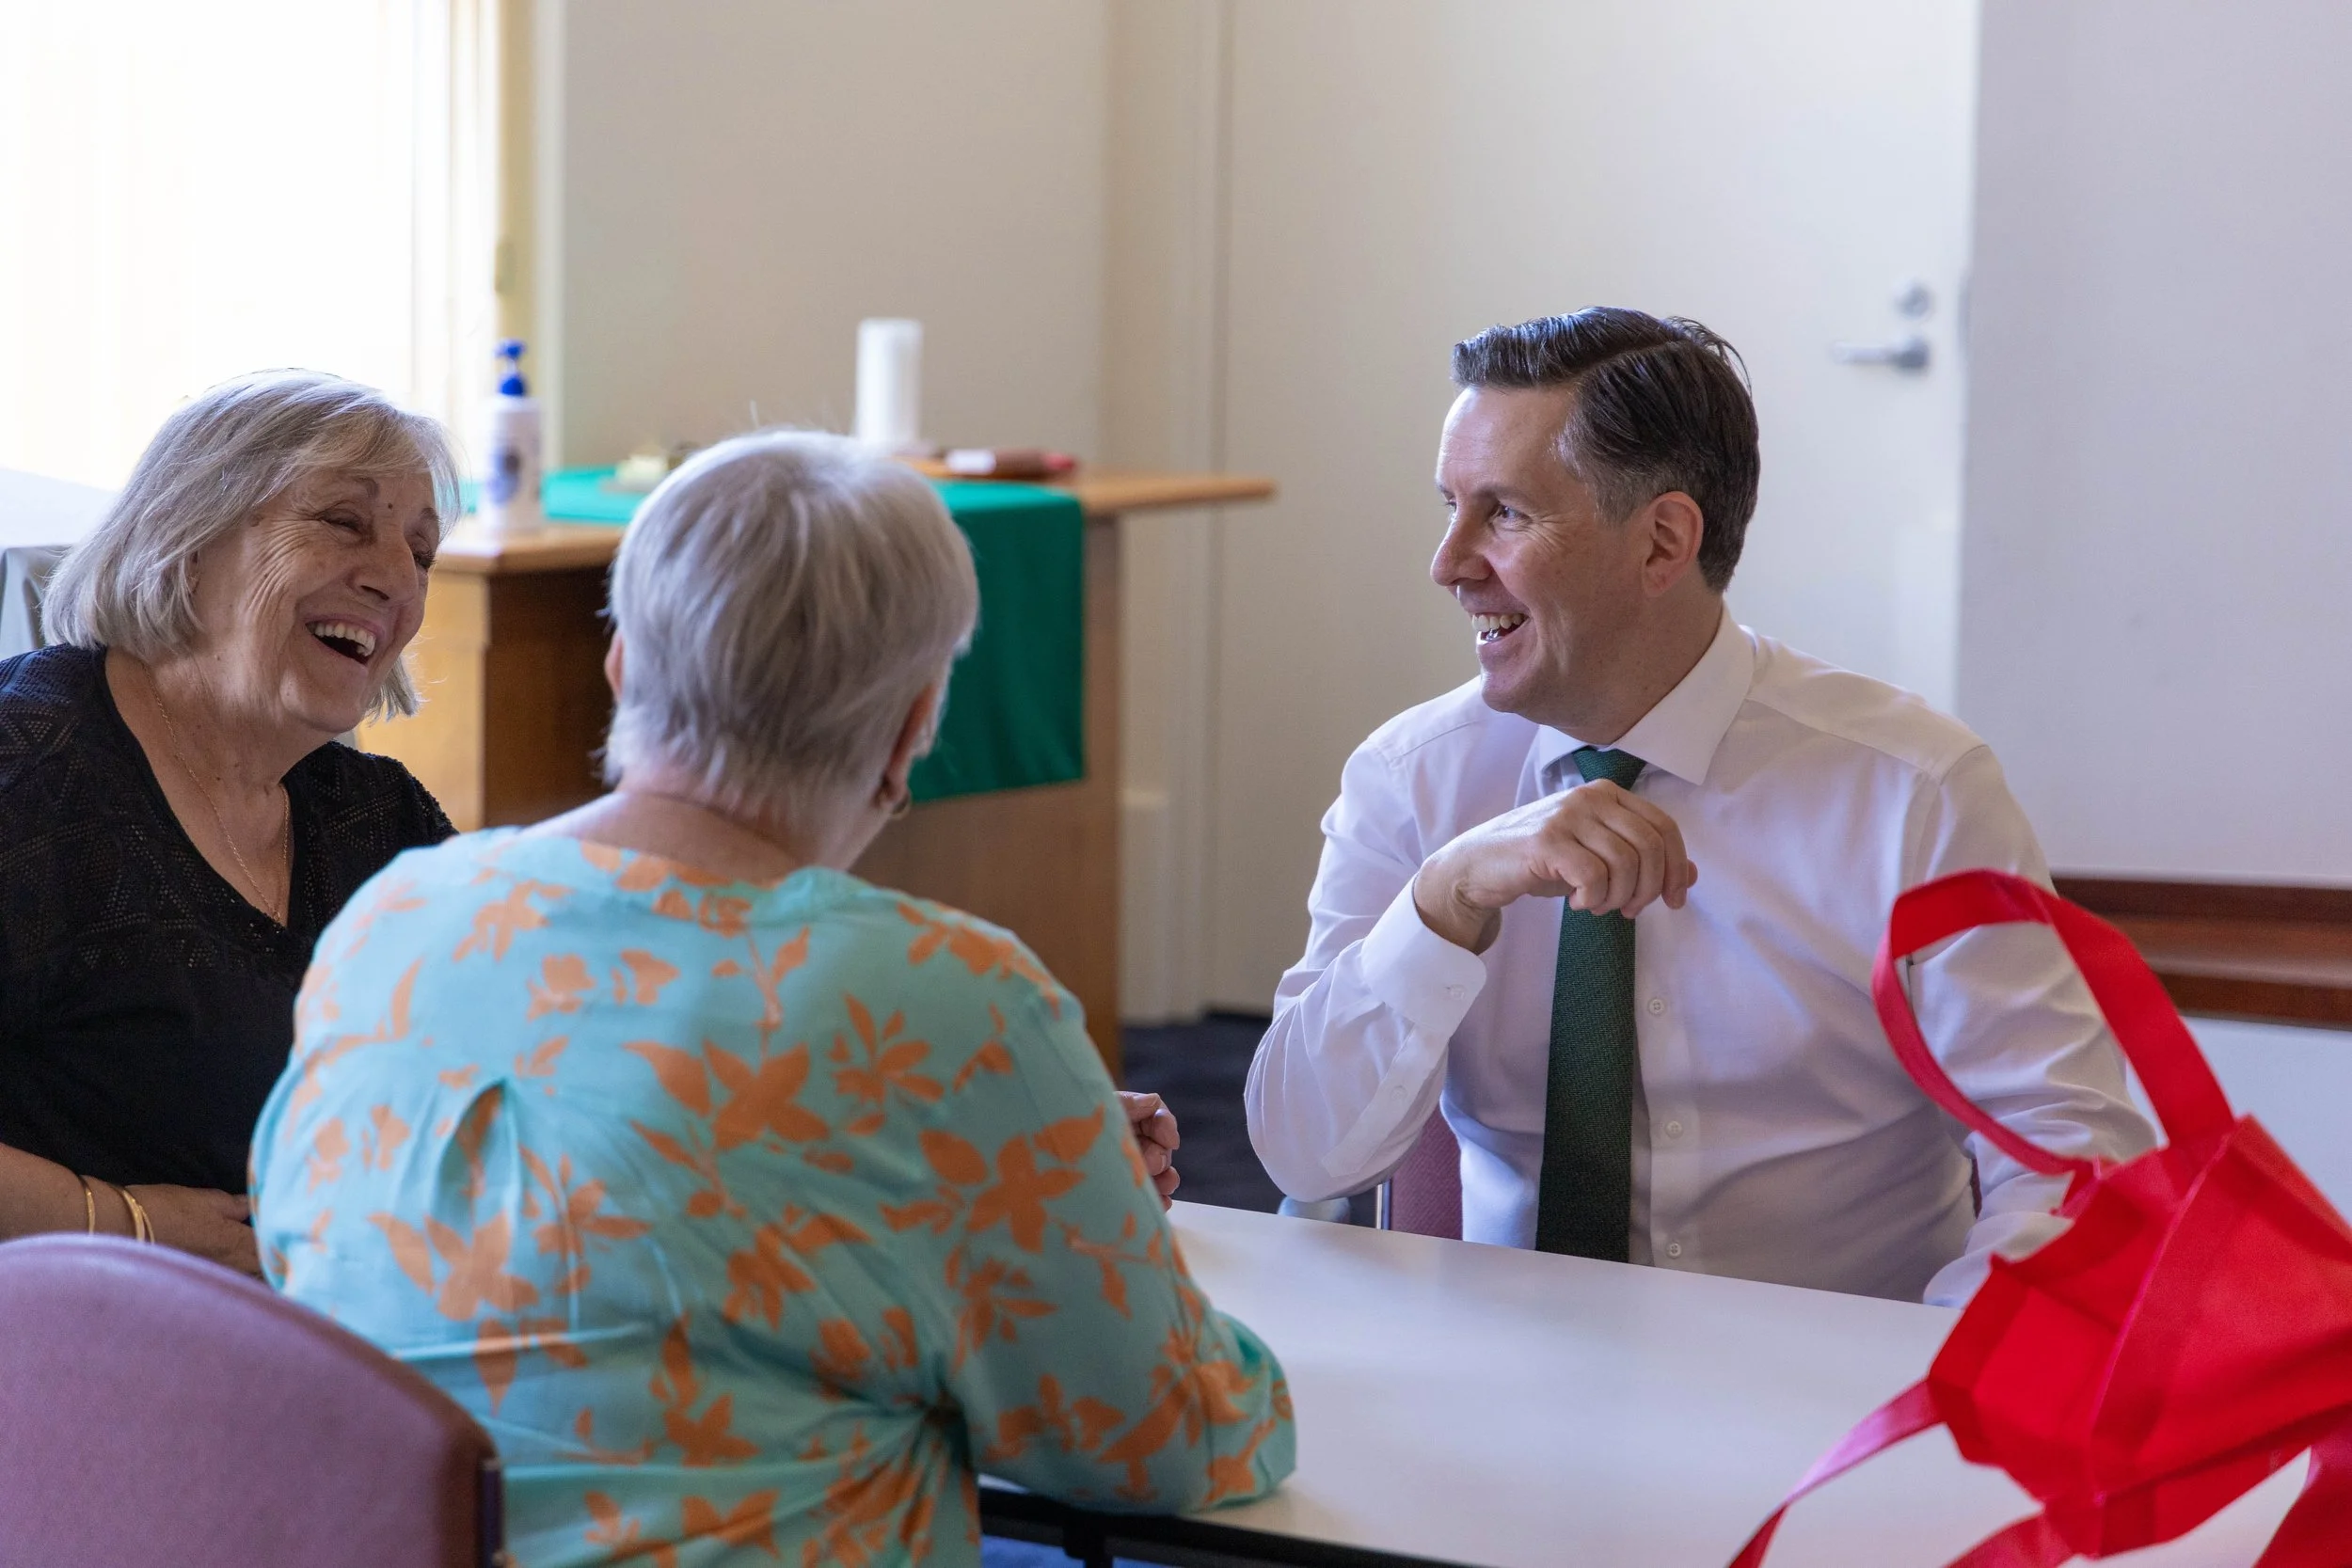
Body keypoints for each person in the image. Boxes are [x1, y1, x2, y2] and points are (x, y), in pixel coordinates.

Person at [252, 431, 1292, 1567]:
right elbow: (1165, 1439)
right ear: (910, 732)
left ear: (620, 670)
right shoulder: (944, 1000)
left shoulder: (396, 916)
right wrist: (1075, 1219)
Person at [1246, 309, 2153, 1307]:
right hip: (1497, 1383)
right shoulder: (1413, 778)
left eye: (1502, 512)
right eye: (1449, 506)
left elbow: (2074, 1154)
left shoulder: (1910, 792)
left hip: (1825, 1401)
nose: (1448, 561)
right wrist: (1444, 898)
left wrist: (1933, 1384)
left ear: (1663, 541)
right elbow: (1304, 1155)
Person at [0, 371, 456, 1276]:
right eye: (344, 522)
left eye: (422, 553)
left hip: (330, 1348)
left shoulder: (383, 821)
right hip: (69, 1364)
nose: (398, 582)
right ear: (189, 539)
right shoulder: (29, 778)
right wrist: (116, 1223)